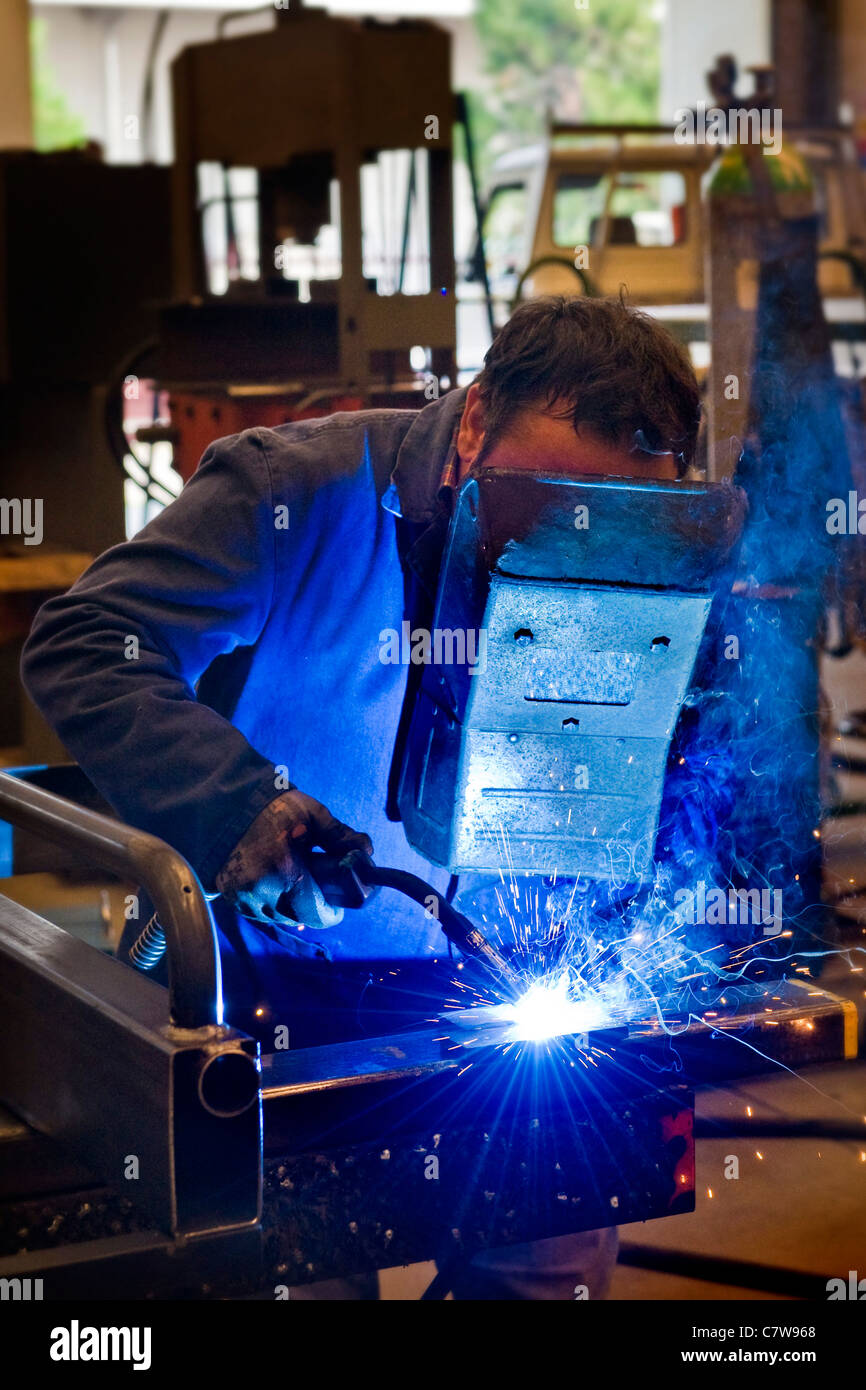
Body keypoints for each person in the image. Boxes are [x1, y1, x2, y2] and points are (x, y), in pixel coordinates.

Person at [21, 294, 701, 1299]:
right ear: (471, 425)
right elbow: (84, 644)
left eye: (610, 526)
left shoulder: (645, 556)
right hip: (279, 982)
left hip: (501, 997)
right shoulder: (293, 491)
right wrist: (238, 806)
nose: (571, 549)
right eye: (541, 503)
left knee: (543, 1259)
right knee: (299, 1267)